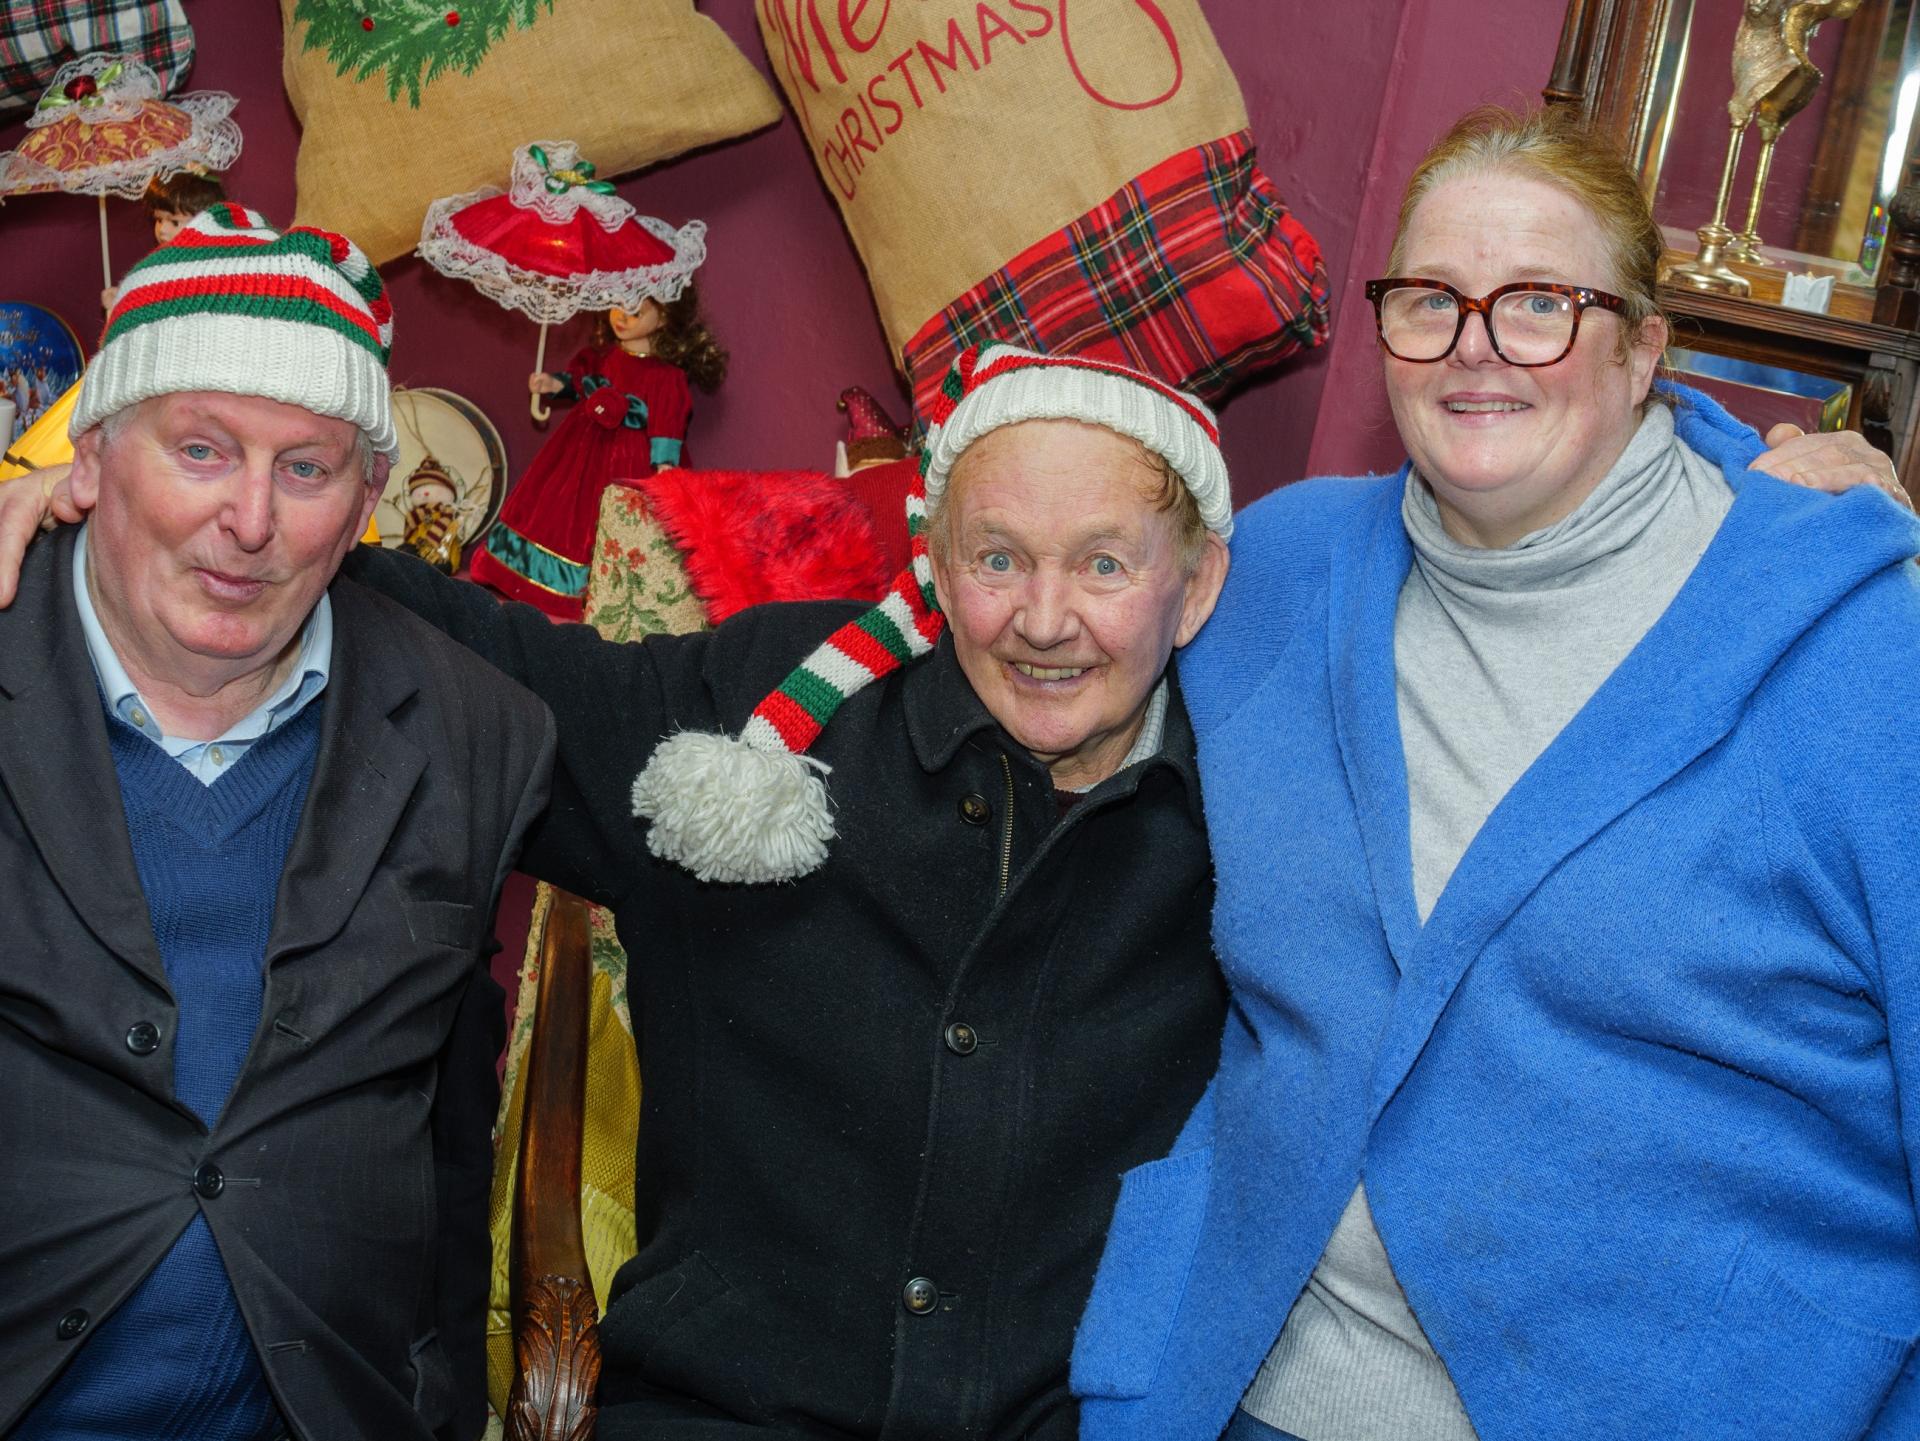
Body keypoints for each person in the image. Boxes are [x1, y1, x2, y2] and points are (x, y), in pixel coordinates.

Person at [0, 271, 1897, 1441]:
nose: (1048, 617)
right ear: (932, 561)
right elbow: (416, 619)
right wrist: (60, 488)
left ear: (1197, 583)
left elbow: (1525, 568)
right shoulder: (749, 732)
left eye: (1104, 564)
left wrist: (1770, 471)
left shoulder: (1286, 796)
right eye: (997, 558)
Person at [1070, 105, 1920, 1441]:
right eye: (1429, 299)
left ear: (1645, 348)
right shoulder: (1277, 574)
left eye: (1538, 303)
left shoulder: (1862, 647)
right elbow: (1034, 630)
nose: (1475, 347)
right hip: (1235, 1392)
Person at [0, 203, 554, 1441]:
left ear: (364, 501)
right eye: (201, 449)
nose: (250, 521)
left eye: (303, 469)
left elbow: (451, 1151)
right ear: (87, 459)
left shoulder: (479, 735)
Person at [469, 288, 726, 619]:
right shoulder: (603, 357)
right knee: (557, 511)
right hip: (579, 451)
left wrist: (665, 468)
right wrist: (552, 384)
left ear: (663, 317)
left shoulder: (666, 377)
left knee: (610, 522)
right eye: (617, 305)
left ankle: (597, 593)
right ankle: (528, 578)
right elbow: (582, 382)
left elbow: (667, 425)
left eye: (635, 311)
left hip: (628, 461)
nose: (621, 316)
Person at [99, 168, 228, 313]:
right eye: (159, 220)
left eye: (175, 222)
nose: (162, 230)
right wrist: (118, 304)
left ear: (207, 222)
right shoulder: (155, 267)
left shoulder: (218, 270)